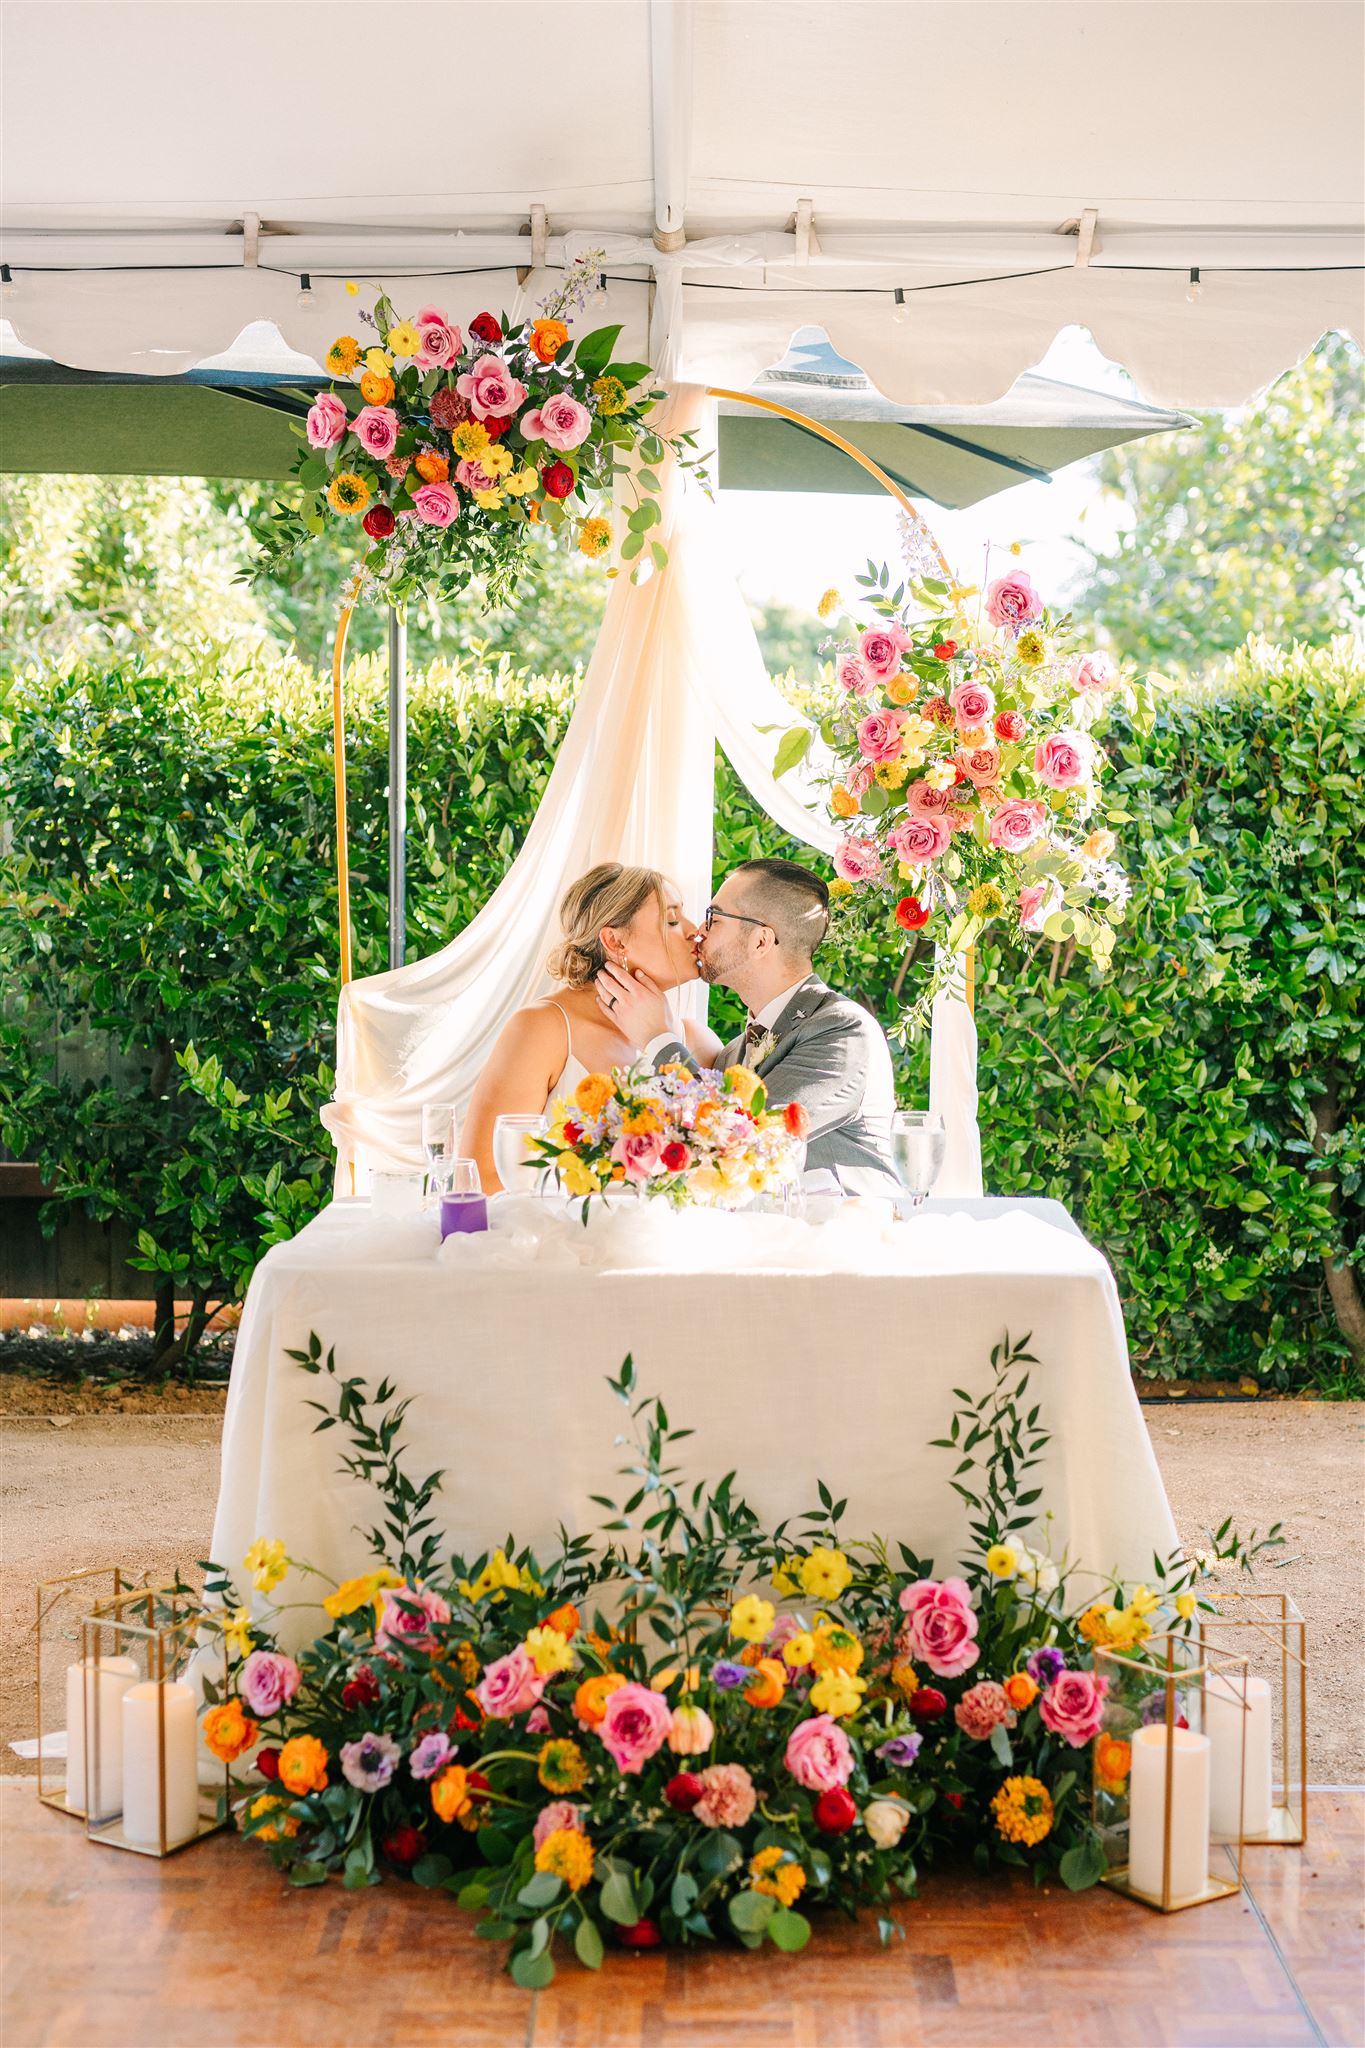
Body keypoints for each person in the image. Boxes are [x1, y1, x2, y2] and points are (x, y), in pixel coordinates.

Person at [596, 856, 899, 1197]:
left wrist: (659, 1040)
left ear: (760, 942)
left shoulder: (842, 1031)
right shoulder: (732, 1054)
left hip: (848, 1238)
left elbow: (741, 1140)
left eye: (714, 918)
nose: (698, 930)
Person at [463, 862, 720, 1192]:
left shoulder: (694, 1042)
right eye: (671, 920)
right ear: (615, 941)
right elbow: (480, 1178)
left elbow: (726, 1163)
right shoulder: (544, 1030)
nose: (693, 930)